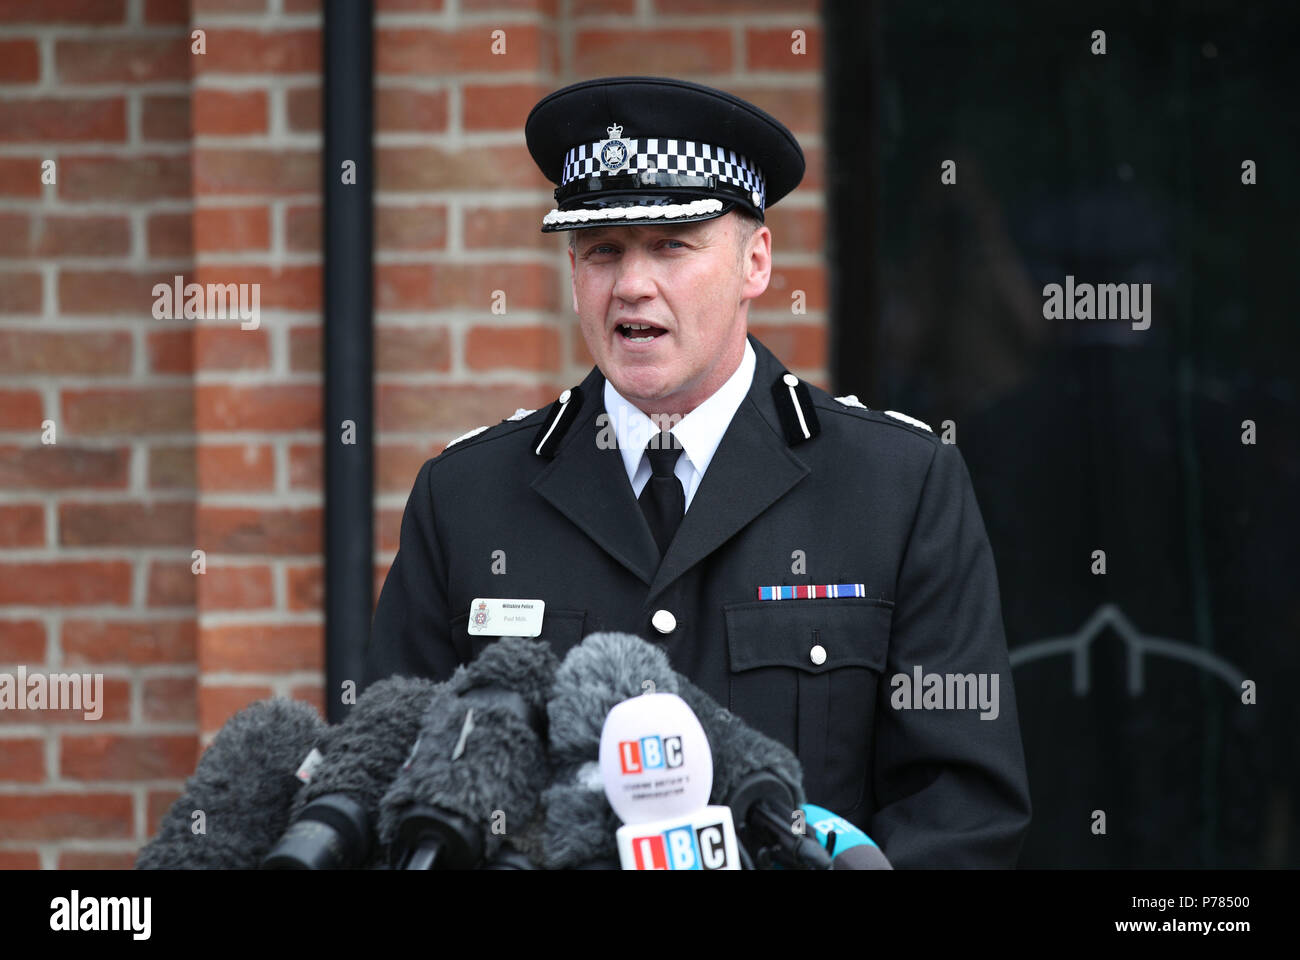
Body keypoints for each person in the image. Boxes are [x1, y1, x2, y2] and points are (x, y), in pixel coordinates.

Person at [362, 76, 1031, 867]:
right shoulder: (467, 497)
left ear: (756, 261)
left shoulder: (896, 486)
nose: (632, 284)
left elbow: (960, 820)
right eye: (603, 250)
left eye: (671, 244)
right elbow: (387, 793)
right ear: (574, 272)